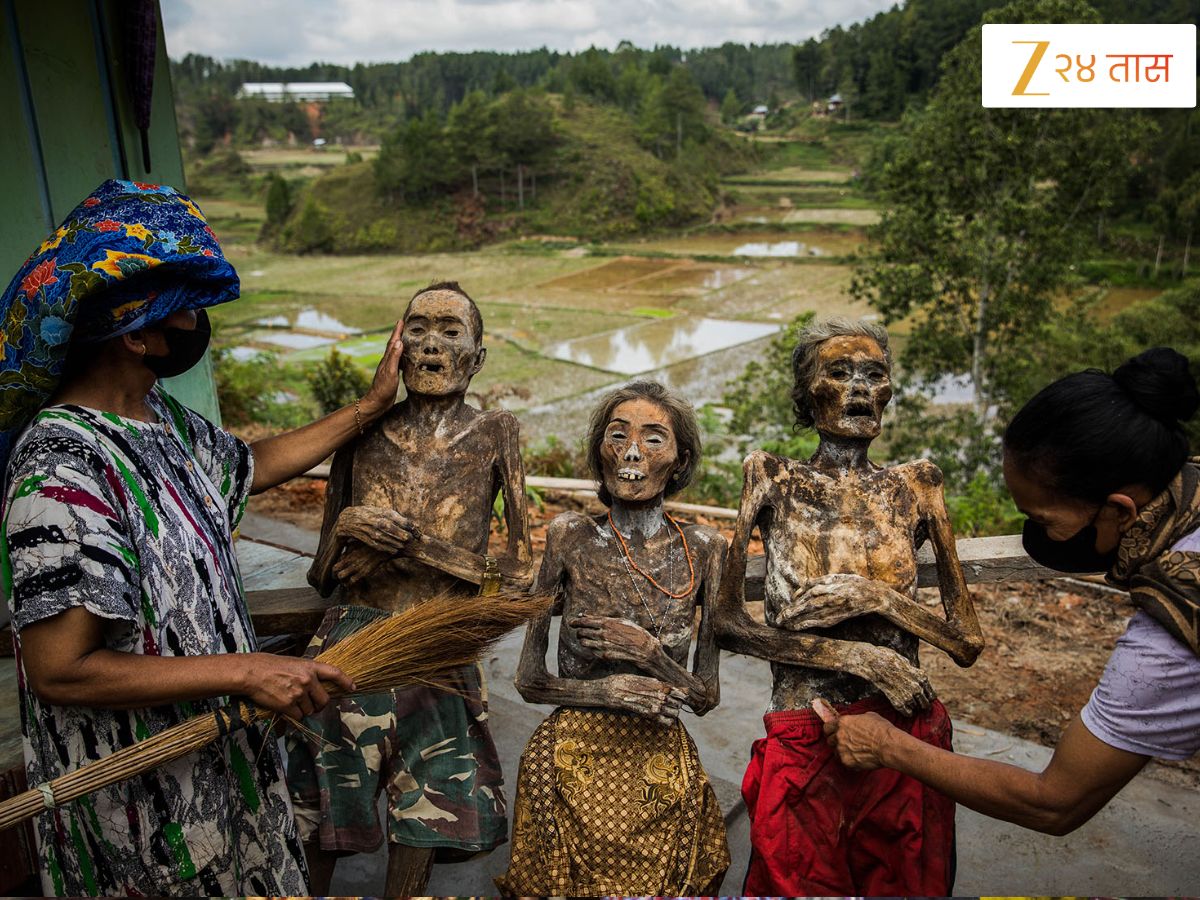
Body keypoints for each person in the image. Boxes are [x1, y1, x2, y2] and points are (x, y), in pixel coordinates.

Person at [0, 179, 402, 896]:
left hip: (221, 771)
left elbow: (252, 466)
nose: (197, 322)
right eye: (185, 307)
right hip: (143, 808)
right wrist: (246, 671)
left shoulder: (161, 421)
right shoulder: (61, 469)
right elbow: (61, 668)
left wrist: (369, 407)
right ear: (135, 331)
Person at [817, 346, 1200, 838]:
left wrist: (889, 747)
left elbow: (1054, 803)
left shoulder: (1166, 647)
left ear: (1121, 512)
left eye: (1045, 520)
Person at [714, 317, 982, 896]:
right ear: (809, 391)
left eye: (874, 375)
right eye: (839, 373)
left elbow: (966, 641)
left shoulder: (917, 484)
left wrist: (876, 597)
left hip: (905, 729)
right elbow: (728, 623)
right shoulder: (772, 478)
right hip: (805, 727)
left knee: (908, 884)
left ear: (888, 391)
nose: (860, 389)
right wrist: (860, 658)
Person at [292, 282, 532, 895]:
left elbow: (518, 575)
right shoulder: (363, 431)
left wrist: (412, 545)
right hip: (350, 643)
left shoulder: (495, 432)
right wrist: (346, 527)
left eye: (450, 332)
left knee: (424, 816)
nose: (431, 346)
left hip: (436, 646)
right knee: (320, 809)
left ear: (477, 356)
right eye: (417, 329)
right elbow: (322, 574)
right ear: (396, 348)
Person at [496, 381, 730, 896]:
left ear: (680, 458)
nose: (630, 452)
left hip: (659, 763)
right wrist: (604, 692)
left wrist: (650, 655)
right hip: (569, 759)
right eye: (618, 435)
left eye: (653, 439)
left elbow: (705, 698)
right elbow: (530, 681)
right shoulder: (569, 536)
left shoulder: (706, 548)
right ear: (600, 451)